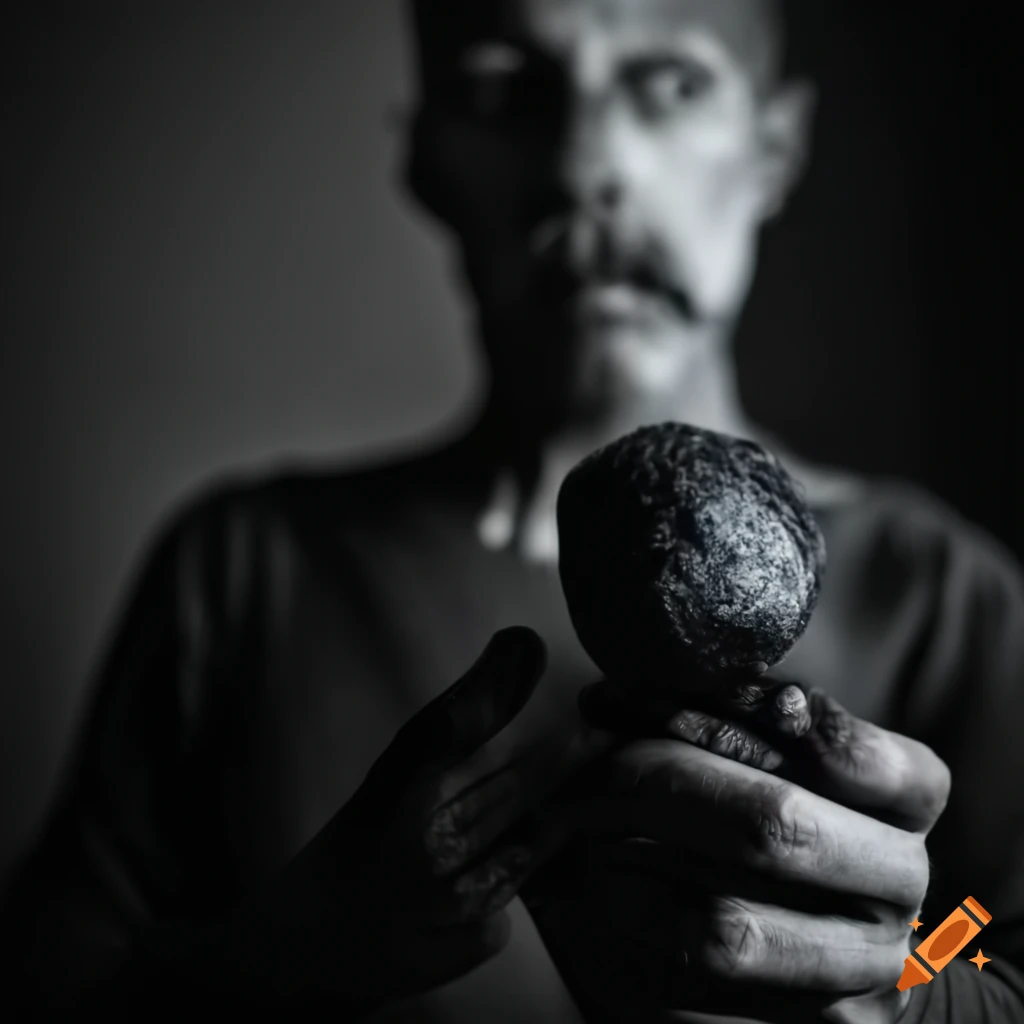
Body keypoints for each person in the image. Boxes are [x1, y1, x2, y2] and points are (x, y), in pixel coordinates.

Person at [2, 1, 1022, 1021]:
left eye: (670, 85)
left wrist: (911, 983)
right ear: (426, 158)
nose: (583, 169)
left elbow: (989, 928)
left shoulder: (940, 596)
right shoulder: (242, 578)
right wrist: (275, 958)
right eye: (506, 91)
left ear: (772, 146)